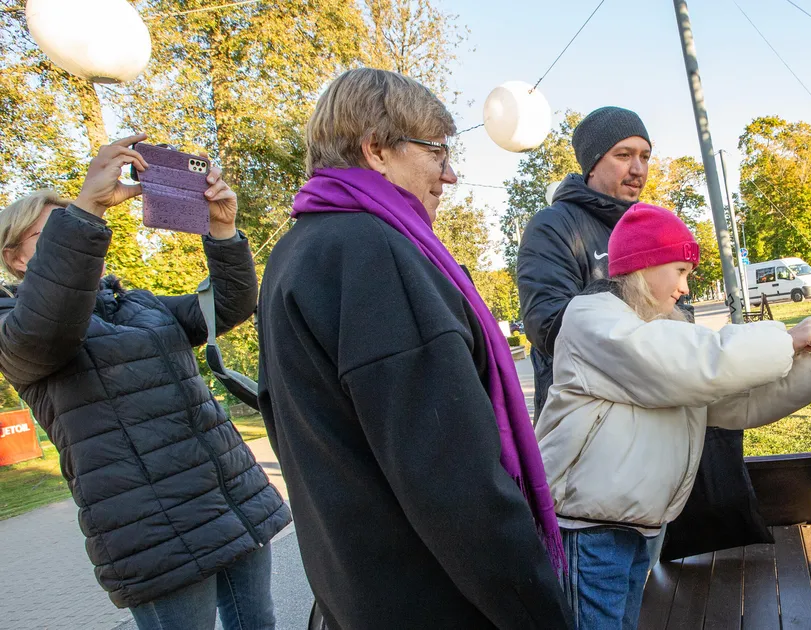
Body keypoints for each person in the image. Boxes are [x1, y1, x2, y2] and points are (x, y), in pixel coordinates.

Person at [256, 68, 571, 629]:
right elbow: (455, 481)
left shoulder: (295, 250)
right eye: (436, 152)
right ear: (375, 148)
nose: (449, 175)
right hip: (432, 599)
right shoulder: (372, 253)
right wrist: (539, 611)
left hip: (357, 591)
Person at [535, 203, 811, 628]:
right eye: (680, 271)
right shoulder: (593, 320)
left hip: (635, 527)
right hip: (589, 529)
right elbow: (698, 363)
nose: (685, 287)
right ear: (644, 265)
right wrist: (787, 339)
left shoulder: (662, 329)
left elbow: (733, 401)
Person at [0, 134, 289, 630]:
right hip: (152, 532)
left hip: (228, 497)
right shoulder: (13, 325)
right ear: (17, 258)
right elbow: (47, 330)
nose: (83, 236)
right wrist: (87, 207)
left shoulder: (138, 303)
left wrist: (222, 232)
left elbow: (227, 308)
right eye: (55, 234)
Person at [517, 106, 653, 423]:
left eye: (645, 157)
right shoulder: (552, 226)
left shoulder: (647, 228)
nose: (638, 169)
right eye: (624, 155)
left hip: (651, 404)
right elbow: (547, 325)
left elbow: (680, 312)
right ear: (592, 164)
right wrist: (631, 294)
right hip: (584, 419)